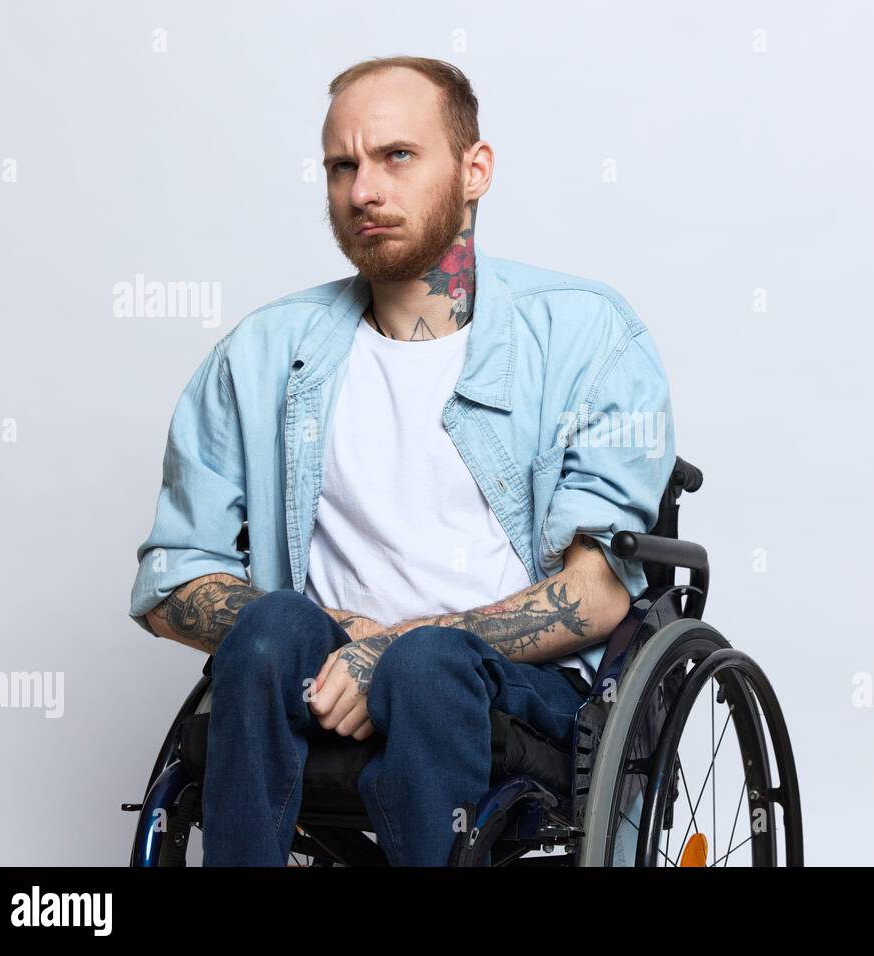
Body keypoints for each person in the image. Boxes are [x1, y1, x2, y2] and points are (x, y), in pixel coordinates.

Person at [127, 55, 676, 866]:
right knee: (273, 624)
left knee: (426, 666)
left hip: (517, 692)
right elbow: (174, 580)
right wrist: (341, 639)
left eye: (397, 157)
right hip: (318, 683)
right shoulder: (260, 354)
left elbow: (597, 593)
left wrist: (395, 650)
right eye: (342, 165)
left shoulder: (588, 334)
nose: (362, 191)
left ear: (475, 168)